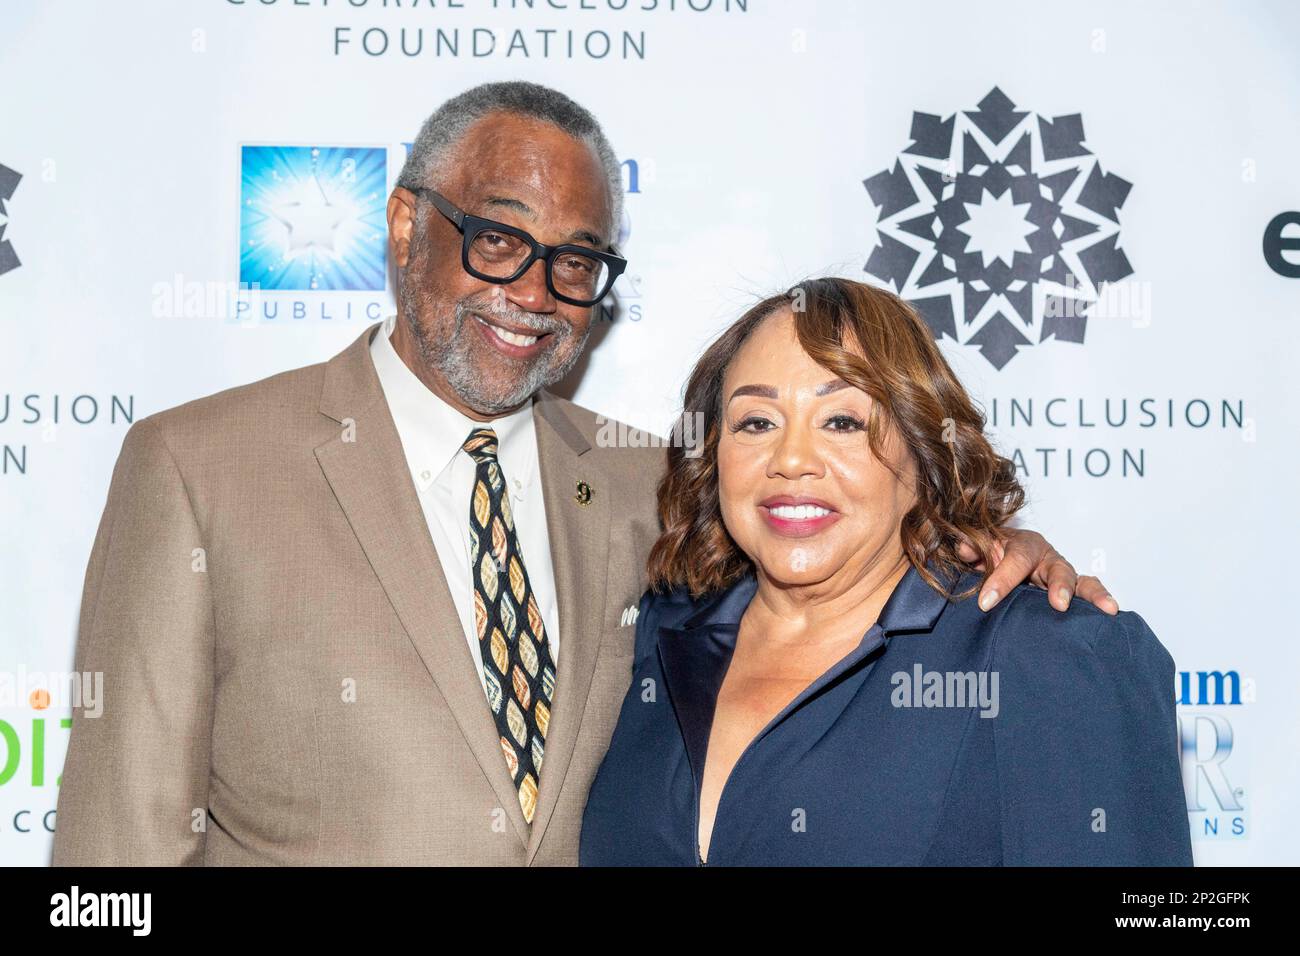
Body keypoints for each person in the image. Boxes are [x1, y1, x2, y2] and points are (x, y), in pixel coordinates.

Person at [53, 83, 1116, 867]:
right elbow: (111, 862)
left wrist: (988, 546)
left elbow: (836, 551)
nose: (534, 291)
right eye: (497, 239)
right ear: (408, 224)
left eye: (576, 261)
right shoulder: (200, 465)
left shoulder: (649, 481)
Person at [580, 277, 1191, 866]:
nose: (790, 460)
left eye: (842, 422)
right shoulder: (658, 632)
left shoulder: (1049, 654)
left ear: (924, 452)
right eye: (756, 423)